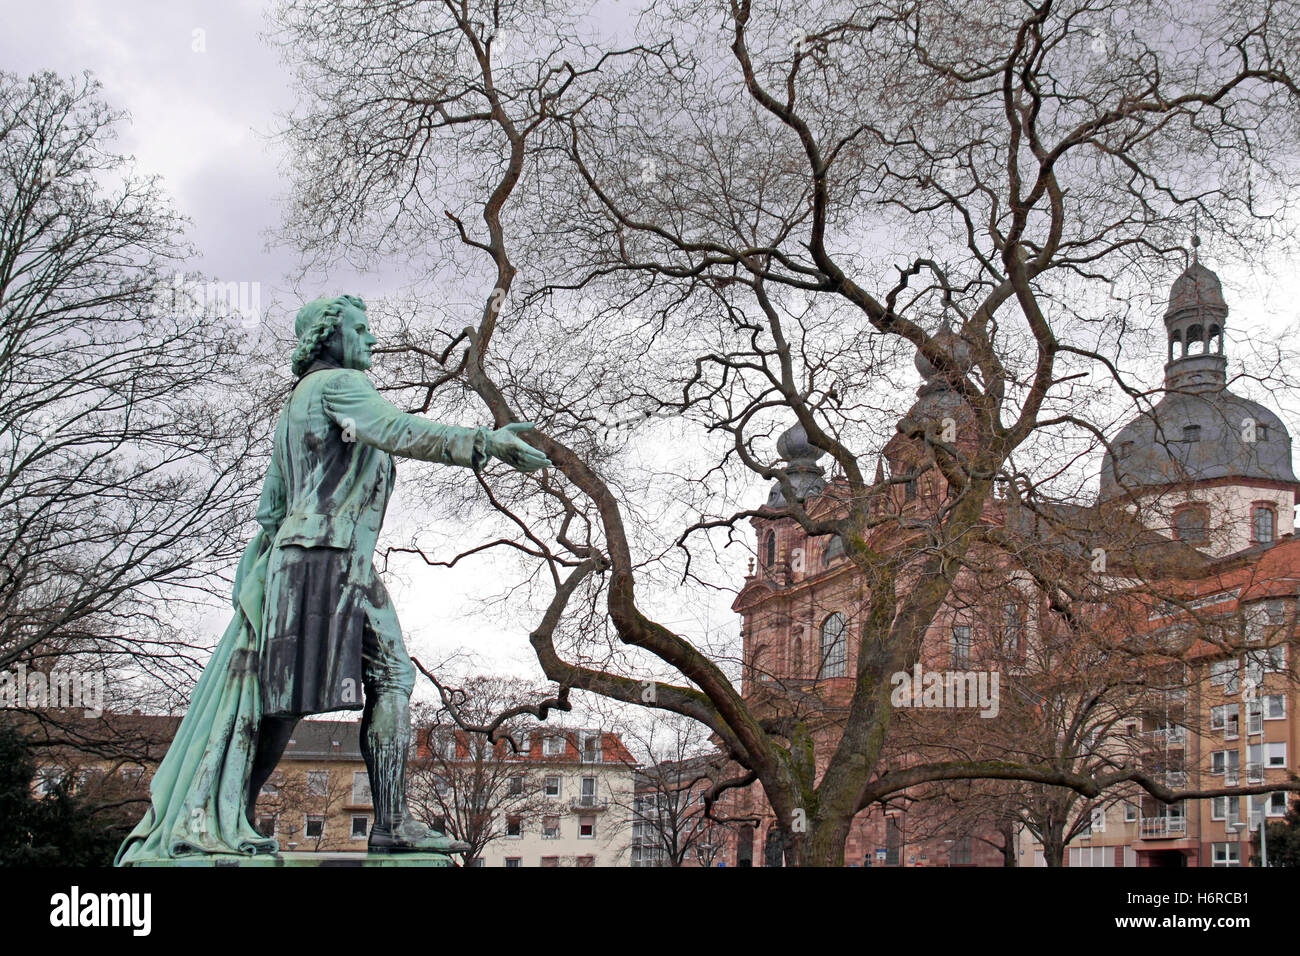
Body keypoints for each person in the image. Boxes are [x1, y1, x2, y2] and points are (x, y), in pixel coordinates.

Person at [116, 295, 549, 863]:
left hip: (303, 560)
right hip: (330, 558)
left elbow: (271, 510)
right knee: (360, 683)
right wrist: (484, 442)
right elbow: (395, 429)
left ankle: (246, 810)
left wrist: (267, 579)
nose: (371, 339)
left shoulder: (294, 405)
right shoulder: (341, 384)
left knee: (293, 697)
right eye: (361, 329)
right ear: (330, 338)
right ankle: (383, 824)